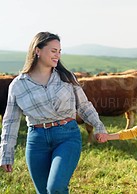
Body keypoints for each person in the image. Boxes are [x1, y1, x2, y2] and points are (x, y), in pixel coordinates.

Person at [0, 32, 108, 193]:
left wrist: (98, 126)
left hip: (67, 136)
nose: (58, 55)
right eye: (53, 50)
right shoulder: (18, 85)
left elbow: (84, 105)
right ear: (37, 50)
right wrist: (6, 153)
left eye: (59, 51)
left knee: (55, 188)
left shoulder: (66, 77)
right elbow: (10, 121)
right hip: (36, 140)